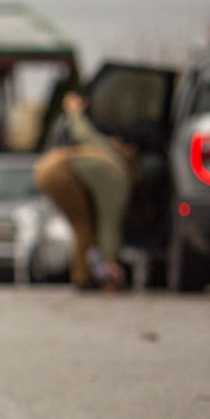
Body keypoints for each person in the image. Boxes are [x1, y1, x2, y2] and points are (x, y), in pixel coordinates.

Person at [33, 92, 135, 290]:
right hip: (57, 169)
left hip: (49, 165)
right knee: (83, 224)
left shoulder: (106, 153)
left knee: (84, 222)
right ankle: (86, 277)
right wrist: (111, 257)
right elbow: (109, 221)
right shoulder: (117, 175)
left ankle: (85, 274)